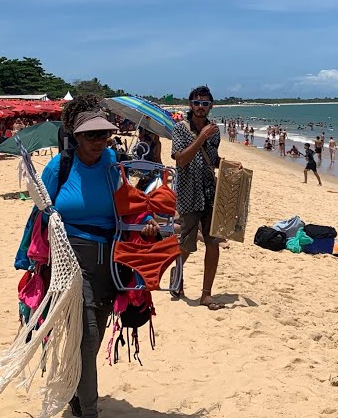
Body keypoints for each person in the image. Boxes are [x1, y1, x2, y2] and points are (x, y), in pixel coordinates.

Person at [43, 97, 157, 418]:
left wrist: (144, 224)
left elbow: (126, 205)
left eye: (103, 134)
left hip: (110, 262)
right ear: (75, 135)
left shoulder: (111, 163)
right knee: (89, 335)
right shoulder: (59, 167)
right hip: (73, 260)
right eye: (90, 135)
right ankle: (90, 411)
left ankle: (77, 390)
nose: (98, 141)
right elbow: (42, 214)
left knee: (93, 335)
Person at [171, 85, 223, 311]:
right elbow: (181, 159)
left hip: (210, 192)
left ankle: (206, 294)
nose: (200, 107)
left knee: (213, 243)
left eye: (205, 103)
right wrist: (201, 137)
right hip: (188, 192)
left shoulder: (215, 131)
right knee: (187, 244)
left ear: (211, 105)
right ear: (190, 105)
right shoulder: (180, 129)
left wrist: (229, 166)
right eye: (197, 103)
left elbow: (212, 160)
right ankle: (177, 273)